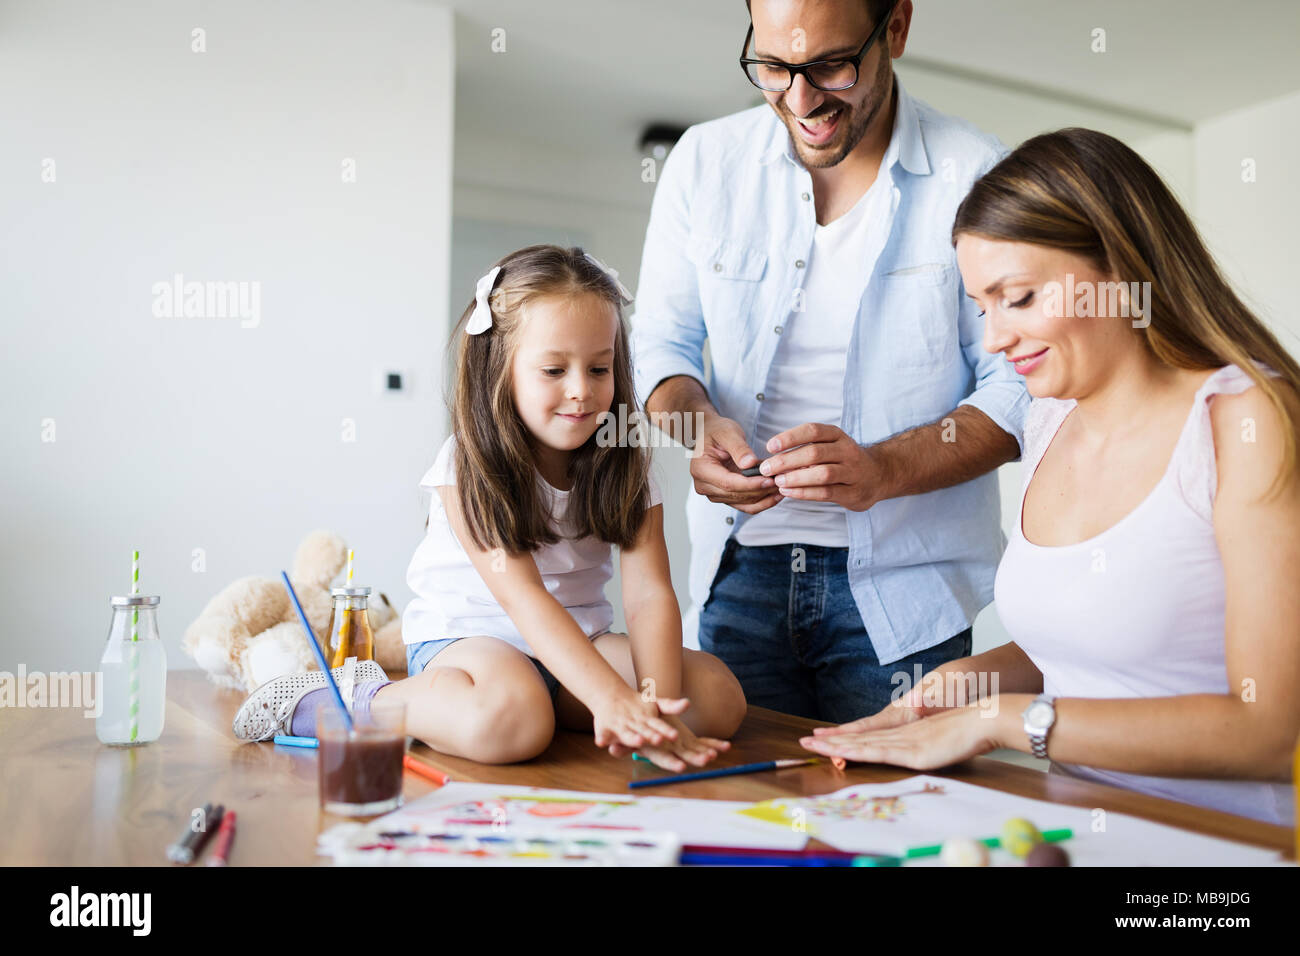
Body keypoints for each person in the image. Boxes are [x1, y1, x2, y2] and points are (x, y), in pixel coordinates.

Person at [800, 128, 1299, 826]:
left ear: (1118, 265)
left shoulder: (1245, 421)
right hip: (1078, 829)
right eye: (983, 308)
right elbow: (1089, 645)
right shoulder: (1047, 421)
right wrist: (949, 690)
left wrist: (1004, 723)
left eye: (1020, 298)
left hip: (1221, 852)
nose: (996, 339)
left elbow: (1267, 732)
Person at [631, 0, 1028, 722]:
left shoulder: (977, 174)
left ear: (897, 29)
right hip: (737, 567)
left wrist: (885, 470)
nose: (802, 99)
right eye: (775, 67)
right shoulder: (704, 162)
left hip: (909, 589)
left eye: (830, 67)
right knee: (736, 803)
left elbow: (1018, 390)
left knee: (896, 811)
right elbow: (658, 343)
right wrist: (699, 425)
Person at [235, 245, 745, 770]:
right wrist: (612, 698)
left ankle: (571, 705)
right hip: (470, 642)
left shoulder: (622, 453)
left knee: (716, 696)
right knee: (514, 723)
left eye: (599, 368)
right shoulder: (467, 463)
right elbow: (523, 597)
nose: (581, 391)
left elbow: (647, 593)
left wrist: (653, 705)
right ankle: (356, 699)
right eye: (553, 370)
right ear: (501, 369)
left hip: (579, 642)